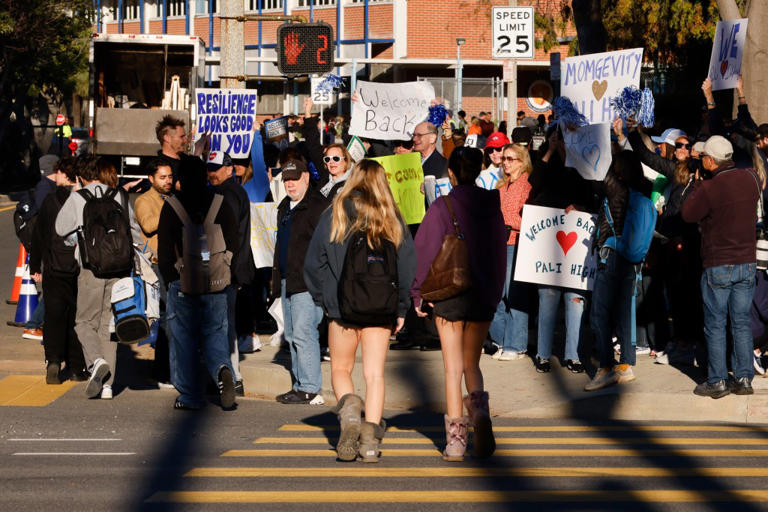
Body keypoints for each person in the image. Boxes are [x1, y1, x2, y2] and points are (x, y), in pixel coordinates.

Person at [304, 159, 416, 462]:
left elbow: (313, 263)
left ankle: (350, 412)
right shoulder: (392, 217)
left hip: (342, 308)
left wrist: (325, 299)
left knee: (341, 369)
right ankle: (369, 444)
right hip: (381, 307)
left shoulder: (336, 213)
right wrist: (401, 306)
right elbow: (407, 267)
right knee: (375, 375)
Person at [412, 146, 506, 461]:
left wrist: (417, 292)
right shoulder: (492, 206)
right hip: (482, 294)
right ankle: (480, 415)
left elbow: (424, 250)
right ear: (479, 170)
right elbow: (499, 254)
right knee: (471, 364)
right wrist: (495, 293)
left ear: (450, 173)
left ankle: (456, 442)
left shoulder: (443, 206)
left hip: (450, 293)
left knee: (452, 370)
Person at [55, 155, 144, 400]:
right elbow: (134, 232)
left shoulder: (78, 198)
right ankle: (108, 386)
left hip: (91, 268)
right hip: (119, 268)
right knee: (108, 325)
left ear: (80, 177)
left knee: (84, 322)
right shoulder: (119, 196)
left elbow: (61, 228)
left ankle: (96, 361)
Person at [681, 136, 760, 398]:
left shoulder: (709, 187)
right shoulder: (750, 178)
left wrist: (697, 184)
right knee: (741, 322)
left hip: (719, 263)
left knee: (715, 324)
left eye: (704, 156)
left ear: (711, 162)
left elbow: (688, 214)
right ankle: (744, 378)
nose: (702, 160)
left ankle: (717, 381)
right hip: (746, 261)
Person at [157, 162, 239, 410]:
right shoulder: (219, 202)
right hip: (216, 283)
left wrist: (172, 278)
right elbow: (233, 241)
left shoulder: (172, 206)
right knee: (216, 334)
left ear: (181, 179)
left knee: (183, 341)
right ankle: (222, 369)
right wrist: (227, 272)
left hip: (183, 283)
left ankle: (190, 395)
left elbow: (164, 250)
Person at [585, 151, 652, 391]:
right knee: (623, 314)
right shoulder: (642, 195)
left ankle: (605, 367)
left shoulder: (619, 194)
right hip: (630, 263)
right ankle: (625, 365)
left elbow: (596, 176)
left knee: (599, 314)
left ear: (619, 172)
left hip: (614, 257)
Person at [271, 160, 328, 405]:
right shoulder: (285, 206)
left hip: (308, 282)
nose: (290, 184)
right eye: (286, 180)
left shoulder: (319, 206)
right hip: (288, 279)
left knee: (304, 333)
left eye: (294, 178)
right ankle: (300, 385)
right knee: (293, 335)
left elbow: (328, 245)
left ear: (306, 177)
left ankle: (310, 387)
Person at [29, 157, 87, 384]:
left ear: (63, 174)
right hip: (79, 268)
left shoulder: (50, 201)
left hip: (54, 268)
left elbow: (39, 235)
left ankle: (53, 361)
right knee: (76, 317)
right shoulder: (84, 200)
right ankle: (76, 367)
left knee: (53, 316)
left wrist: (35, 266)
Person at [207, 152, 258, 395]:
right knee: (224, 323)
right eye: (209, 168)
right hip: (230, 268)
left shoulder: (227, 194)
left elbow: (228, 234)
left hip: (226, 269)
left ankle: (231, 376)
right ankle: (230, 375)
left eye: (217, 168)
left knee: (222, 324)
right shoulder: (232, 192)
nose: (212, 173)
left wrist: (230, 268)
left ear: (229, 169)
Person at [488, 144, 533, 362]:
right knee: (497, 296)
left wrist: (506, 222)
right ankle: (501, 341)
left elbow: (531, 219)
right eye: (504, 158)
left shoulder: (527, 186)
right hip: (497, 244)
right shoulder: (501, 185)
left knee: (514, 296)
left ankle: (516, 345)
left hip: (516, 244)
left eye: (510, 159)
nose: (505, 162)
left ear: (522, 162)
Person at [134, 158, 174, 386]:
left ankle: (168, 369)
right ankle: (162, 371)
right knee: (166, 317)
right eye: (162, 177)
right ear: (151, 179)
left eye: (170, 177)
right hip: (156, 264)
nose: (168, 181)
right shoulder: (144, 200)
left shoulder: (172, 198)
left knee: (173, 318)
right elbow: (148, 225)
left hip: (174, 264)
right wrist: (171, 208)